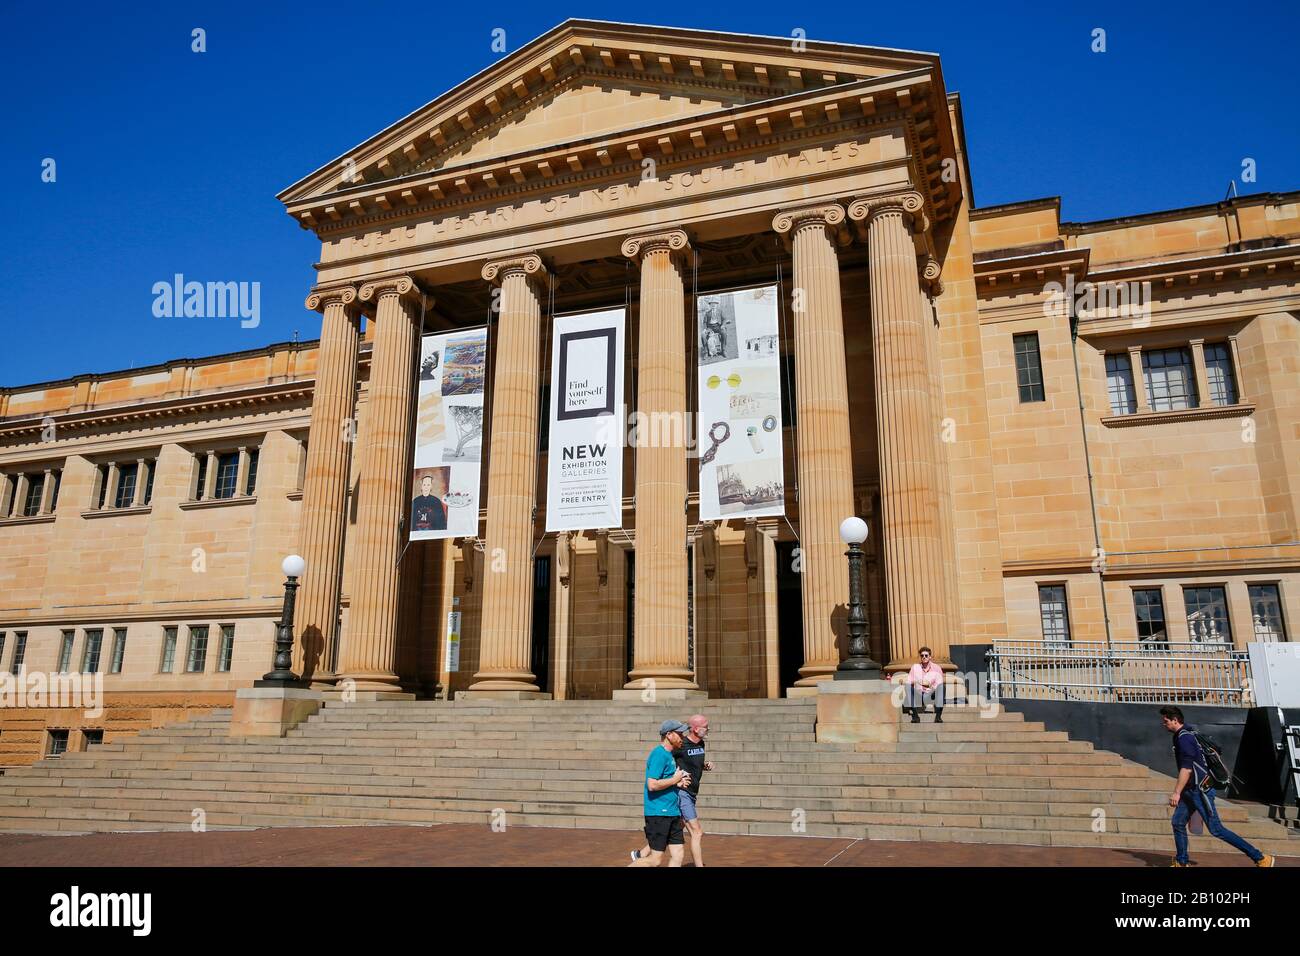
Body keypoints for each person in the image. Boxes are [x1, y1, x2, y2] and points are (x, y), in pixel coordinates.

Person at [1159, 705, 1274, 868]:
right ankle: (1181, 861)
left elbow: (1187, 768)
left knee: (1216, 829)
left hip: (1199, 791)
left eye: (1165, 721)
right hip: (1191, 790)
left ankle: (1261, 858)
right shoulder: (1186, 733)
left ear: (1175, 720)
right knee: (1178, 822)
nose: (1164, 724)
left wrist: (1176, 792)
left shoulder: (1184, 738)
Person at [627, 720, 690, 867]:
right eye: (679, 734)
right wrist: (675, 779)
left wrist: (677, 783)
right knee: (655, 860)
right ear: (668, 735)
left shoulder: (669, 755)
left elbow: (665, 781)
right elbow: (652, 784)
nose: (683, 737)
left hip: (672, 812)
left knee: (678, 853)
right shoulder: (659, 754)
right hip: (658, 814)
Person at [674, 715, 713, 867]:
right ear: (696, 729)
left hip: (692, 792)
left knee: (674, 829)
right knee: (697, 832)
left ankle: (641, 854)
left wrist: (704, 766)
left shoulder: (701, 743)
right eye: (705, 726)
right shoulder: (681, 745)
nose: (708, 729)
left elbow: (694, 762)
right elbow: (667, 762)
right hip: (682, 792)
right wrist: (676, 780)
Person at [905, 646, 944, 723]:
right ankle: (915, 716)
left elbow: (939, 683)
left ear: (930, 657)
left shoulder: (937, 668)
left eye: (926, 655)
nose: (924, 657)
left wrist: (930, 686)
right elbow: (908, 682)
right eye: (922, 655)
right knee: (907, 687)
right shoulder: (915, 667)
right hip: (919, 693)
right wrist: (918, 682)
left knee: (942, 687)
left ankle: (938, 716)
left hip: (931, 694)